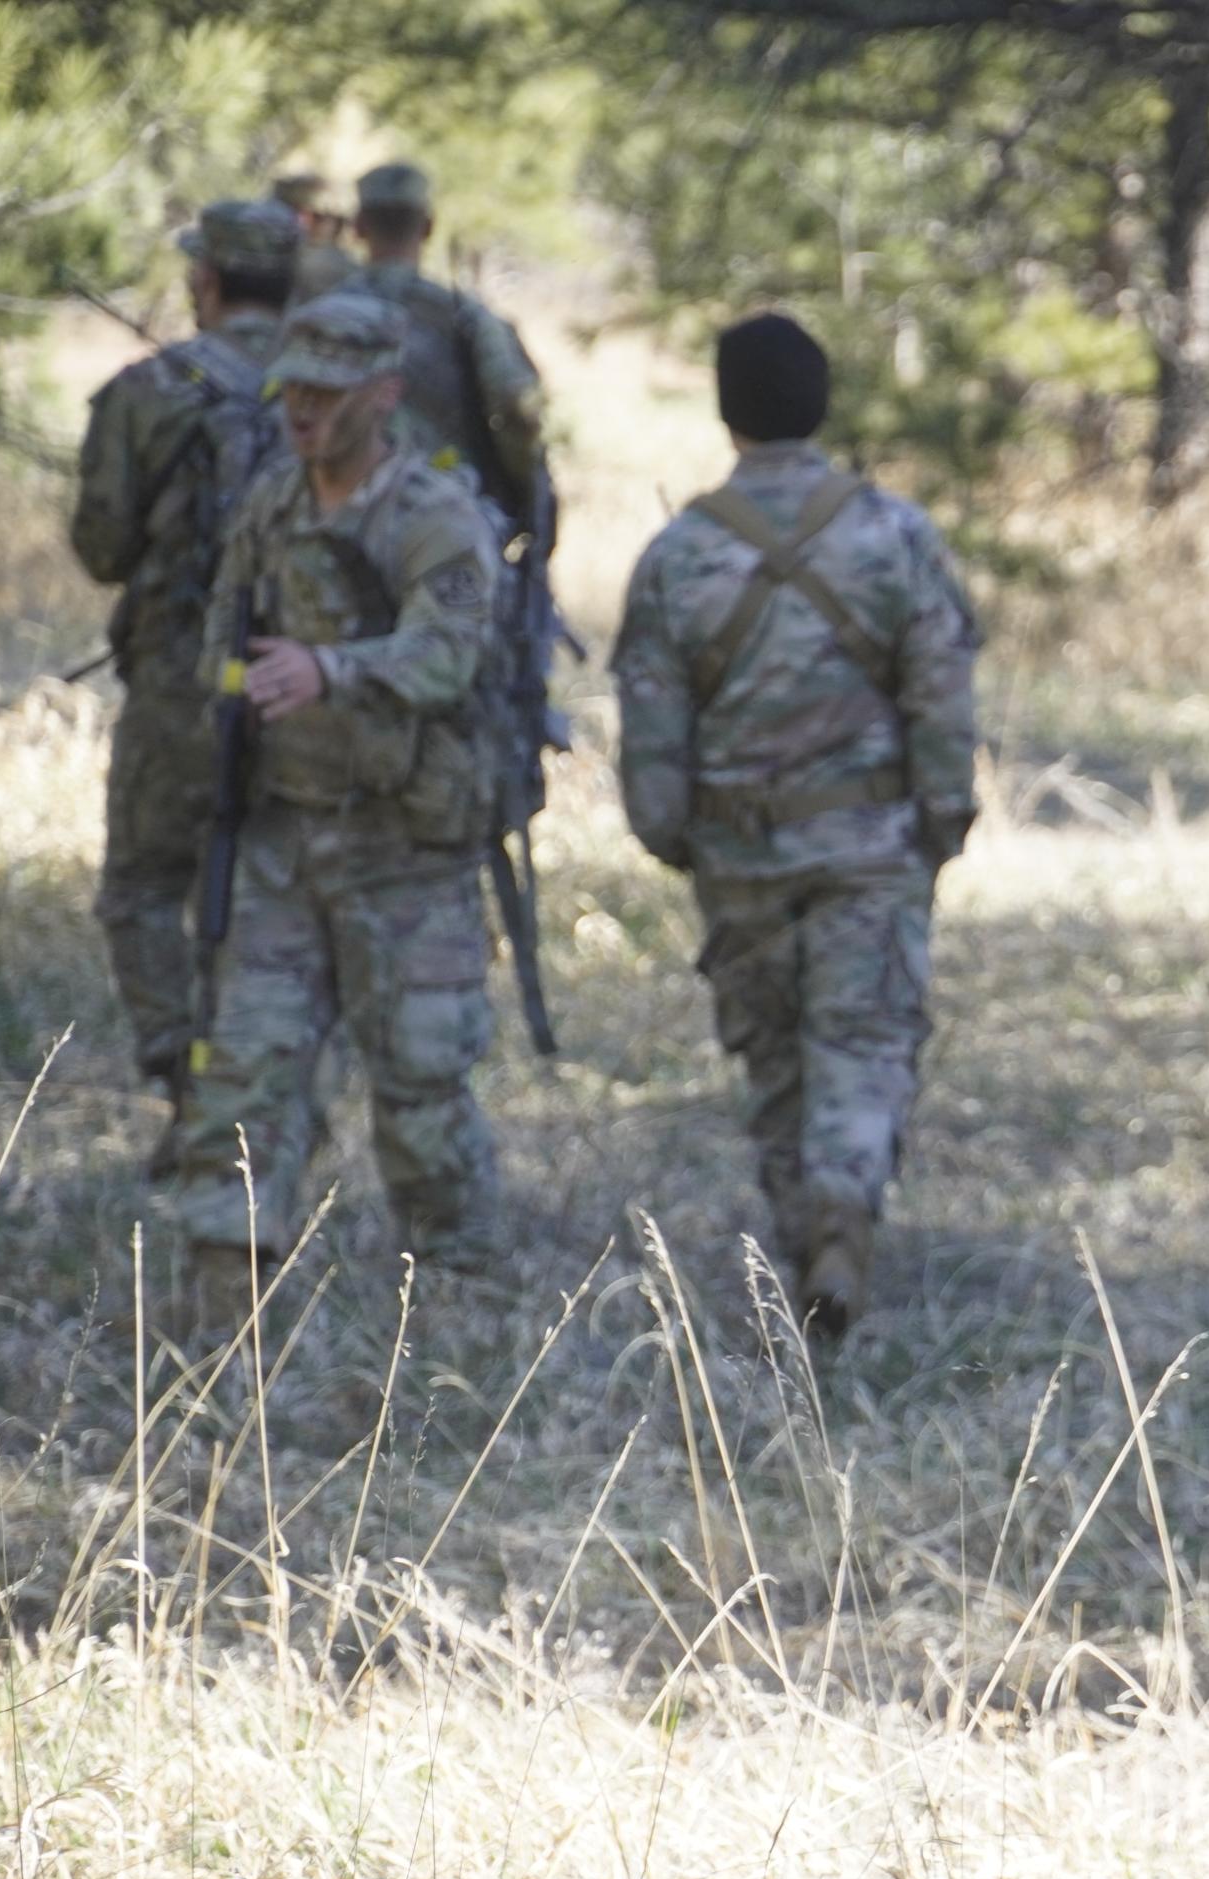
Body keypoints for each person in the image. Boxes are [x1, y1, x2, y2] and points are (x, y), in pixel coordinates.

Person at [612, 314, 979, 1347]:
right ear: (820, 403)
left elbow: (650, 729)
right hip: (870, 846)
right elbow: (941, 692)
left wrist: (675, 835)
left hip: (739, 854)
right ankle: (842, 1217)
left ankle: (799, 1241)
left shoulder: (678, 553)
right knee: (862, 1040)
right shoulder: (894, 534)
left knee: (774, 1057)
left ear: (726, 411)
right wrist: (940, 820)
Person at [176, 291, 504, 1331]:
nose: (302, 408)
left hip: (404, 847)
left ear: (384, 395)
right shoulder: (271, 505)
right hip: (282, 838)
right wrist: (235, 697)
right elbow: (217, 646)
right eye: (293, 387)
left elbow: (449, 655)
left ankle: (458, 1314)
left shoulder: (434, 515)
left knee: (420, 1089)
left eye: (327, 390)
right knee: (244, 1075)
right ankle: (226, 1317)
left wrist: (332, 669)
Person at [70, 199, 298, 1174]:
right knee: (267, 899)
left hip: (176, 683)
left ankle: (187, 1083)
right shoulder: (331, 389)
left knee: (140, 887)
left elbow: (101, 548)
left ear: (205, 280)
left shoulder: (148, 391)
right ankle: (254, 1101)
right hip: (300, 686)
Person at [342, 161, 545, 530]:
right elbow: (516, 407)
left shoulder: (319, 314)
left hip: (339, 517)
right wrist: (524, 495)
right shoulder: (466, 318)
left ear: (358, 227)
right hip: (447, 519)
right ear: (428, 227)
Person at [271, 170, 355, 303]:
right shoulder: (276, 255)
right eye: (295, 211)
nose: (304, 221)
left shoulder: (336, 265)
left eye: (318, 217)